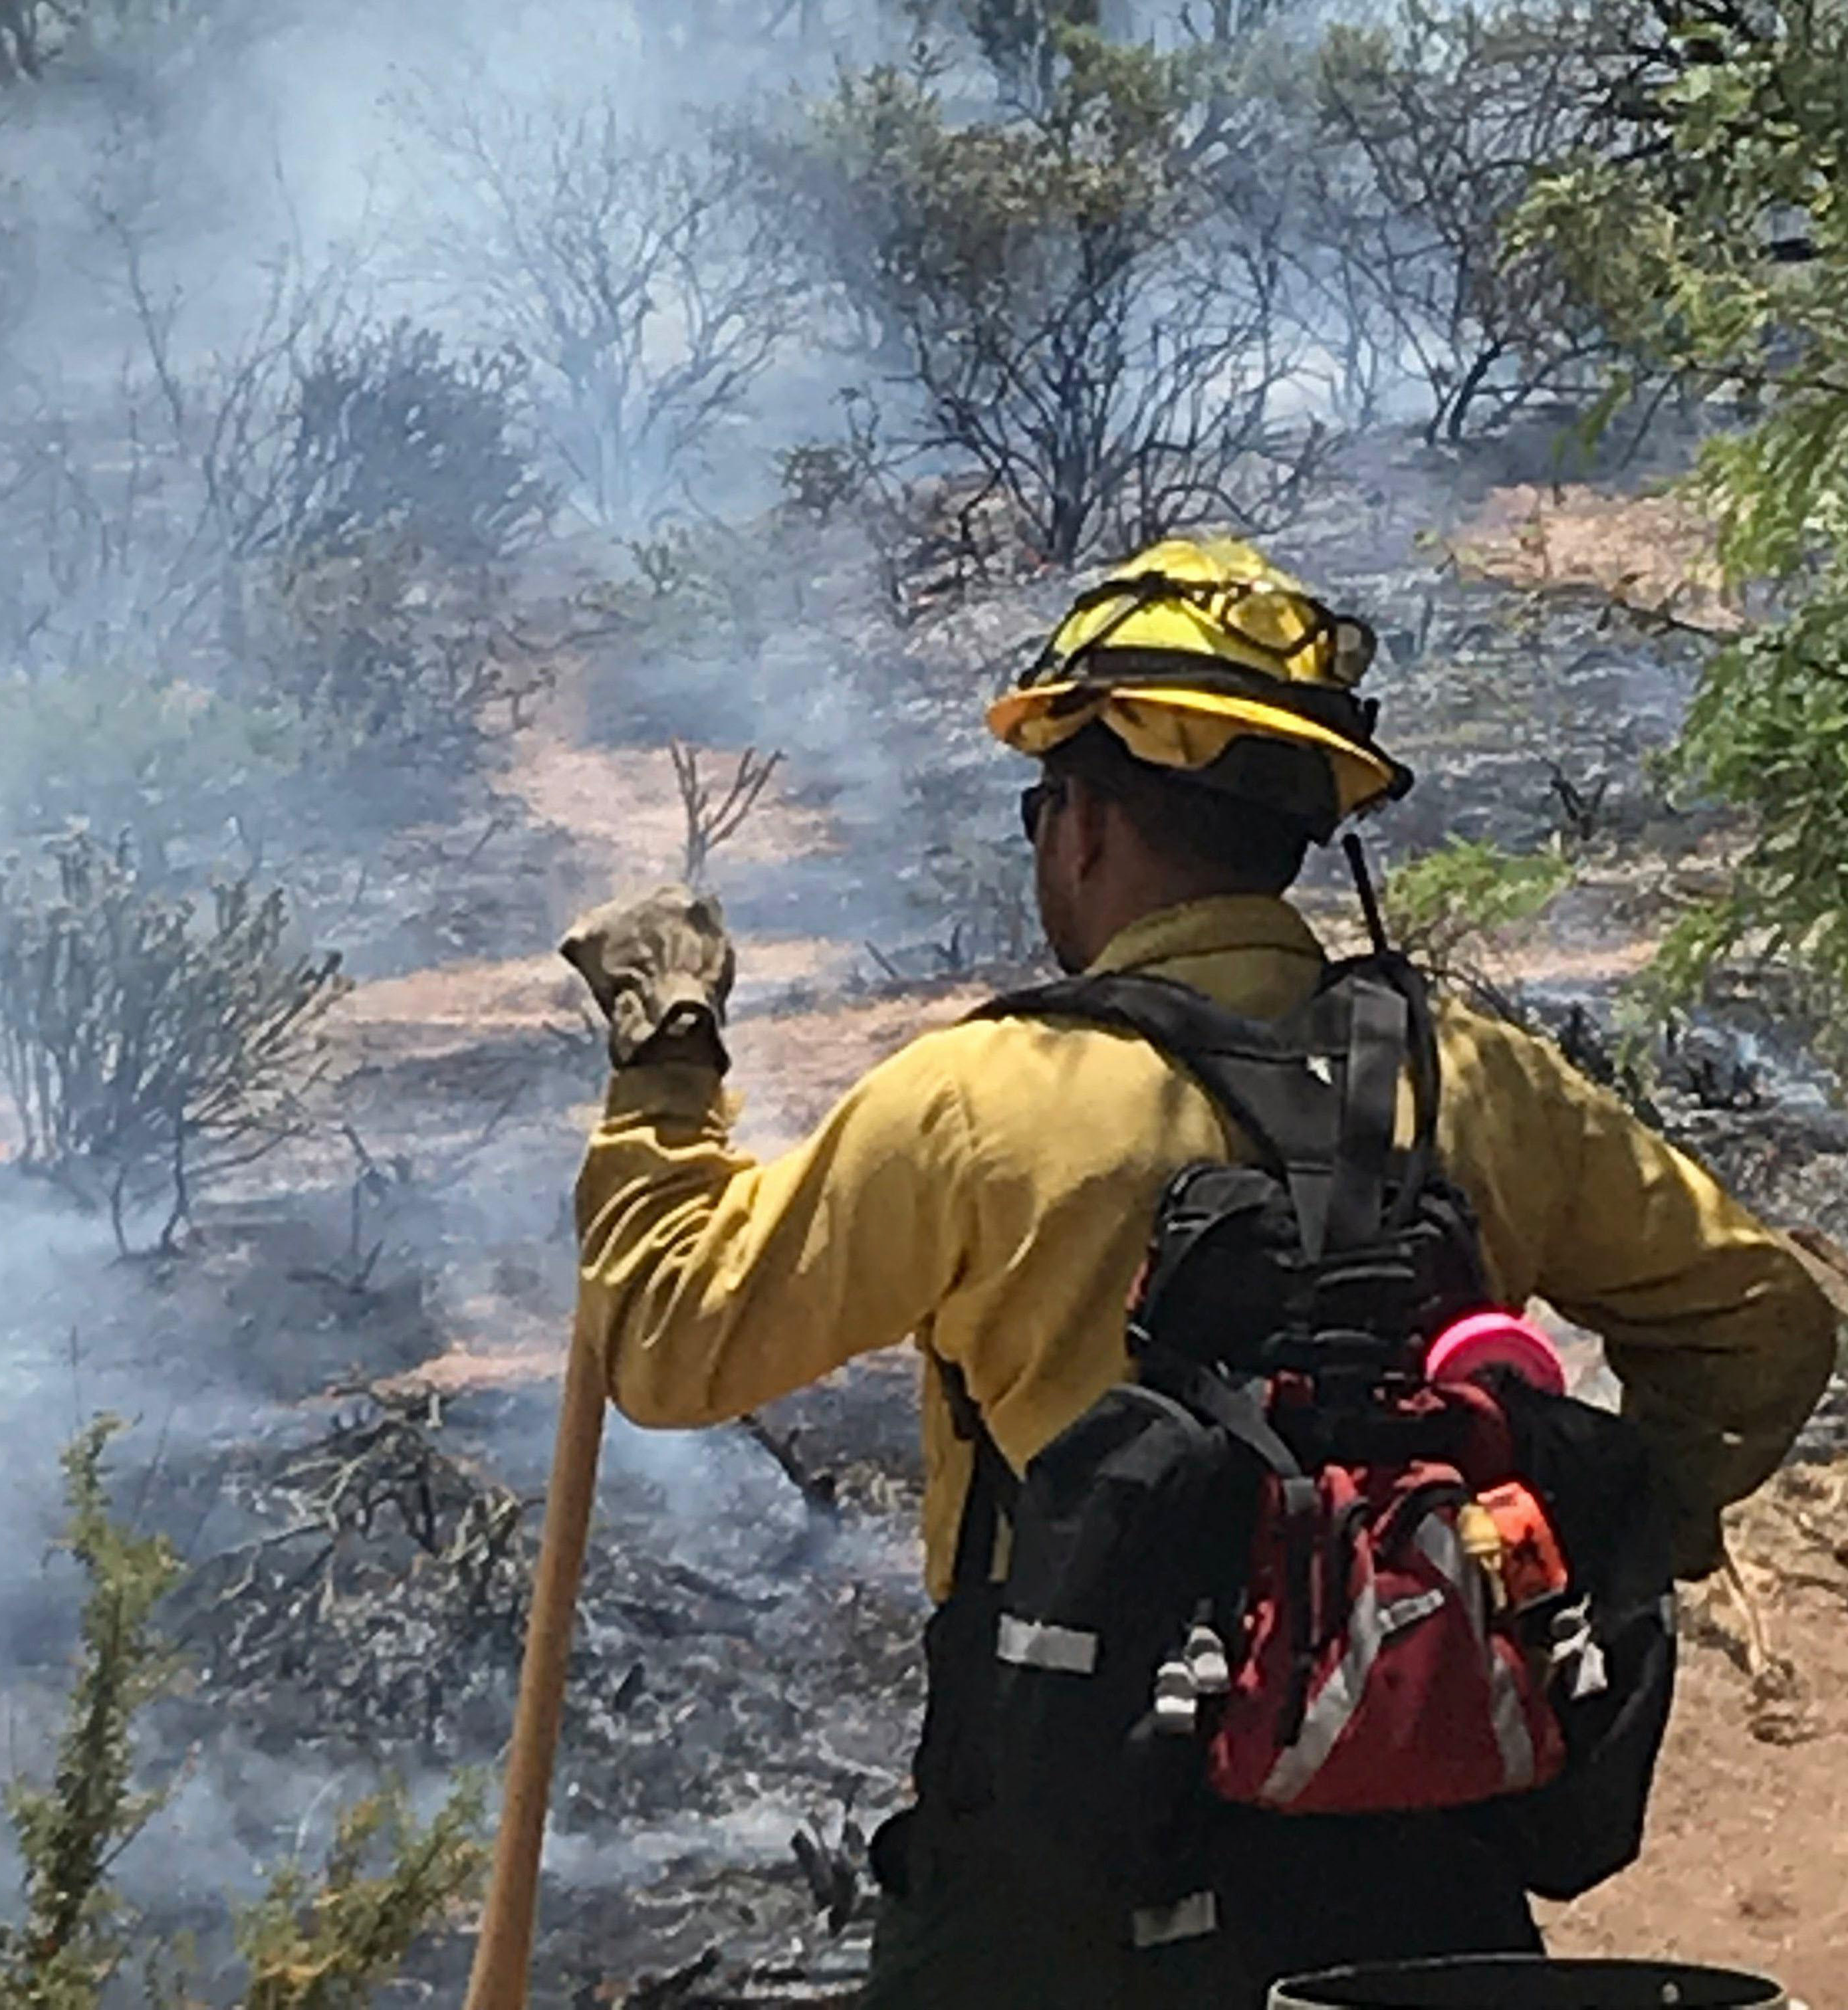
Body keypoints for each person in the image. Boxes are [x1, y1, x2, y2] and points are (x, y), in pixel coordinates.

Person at [560, 538, 1836, 2007]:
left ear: (1087, 823)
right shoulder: (1482, 1085)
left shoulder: (986, 1097)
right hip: (1427, 1869)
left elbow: (667, 1342)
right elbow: (1766, 1326)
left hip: (1062, 1887)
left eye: (1045, 804)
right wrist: (1610, 1528)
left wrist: (666, 1056)